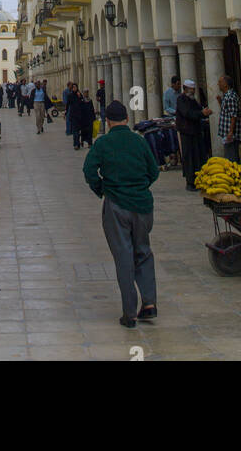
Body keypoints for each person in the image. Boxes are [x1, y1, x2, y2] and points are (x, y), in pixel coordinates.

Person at [83, 100, 160, 328]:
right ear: (126, 119)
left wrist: (102, 189)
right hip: (143, 205)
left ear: (107, 121)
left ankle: (129, 313)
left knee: (124, 256)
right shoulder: (139, 141)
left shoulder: (103, 143)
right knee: (143, 252)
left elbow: (89, 171)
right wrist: (141, 186)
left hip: (116, 205)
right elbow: (153, 171)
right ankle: (149, 303)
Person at [176, 80, 211, 191]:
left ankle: (198, 179)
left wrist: (203, 112)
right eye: (191, 89)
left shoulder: (192, 100)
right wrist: (201, 113)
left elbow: (197, 110)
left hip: (195, 132)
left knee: (198, 156)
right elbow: (187, 113)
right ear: (185, 89)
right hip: (186, 132)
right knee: (189, 156)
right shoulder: (181, 99)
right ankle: (190, 182)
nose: (193, 91)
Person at [217, 75, 241, 162]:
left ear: (226, 84)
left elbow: (233, 115)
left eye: (220, 82)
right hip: (228, 133)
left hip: (231, 135)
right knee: (230, 155)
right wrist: (220, 102)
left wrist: (231, 132)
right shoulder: (227, 96)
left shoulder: (230, 96)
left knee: (232, 157)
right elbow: (227, 110)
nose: (218, 84)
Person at [66, 85, 83, 149]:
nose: (74, 89)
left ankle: (78, 143)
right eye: (73, 87)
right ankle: (75, 144)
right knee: (75, 130)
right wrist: (66, 112)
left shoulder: (79, 95)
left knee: (78, 130)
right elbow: (68, 105)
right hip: (73, 115)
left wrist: (80, 97)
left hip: (79, 115)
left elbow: (82, 103)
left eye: (75, 87)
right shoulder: (70, 95)